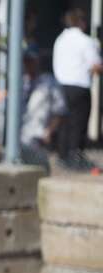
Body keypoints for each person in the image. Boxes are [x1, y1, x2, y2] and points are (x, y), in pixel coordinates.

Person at [53, 8, 102, 166]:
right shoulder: (85, 41)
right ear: (81, 22)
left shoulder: (60, 39)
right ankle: (75, 156)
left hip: (60, 85)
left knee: (64, 122)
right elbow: (96, 66)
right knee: (78, 123)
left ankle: (62, 156)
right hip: (79, 86)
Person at [21, 52, 66, 165]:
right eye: (26, 61)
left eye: (31, 61)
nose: (28, 64)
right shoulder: (20, 81)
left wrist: (49, 131)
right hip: (20, 137)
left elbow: (60, 110)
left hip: (39, 137)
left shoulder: (49, 82)